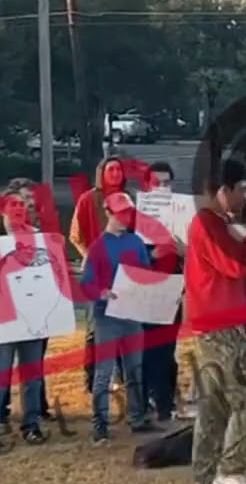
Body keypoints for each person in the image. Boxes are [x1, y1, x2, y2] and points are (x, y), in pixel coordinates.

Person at [186, 159, 246, 484]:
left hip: (211, 322)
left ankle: (205, 477)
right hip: (220, 325)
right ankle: (231, 472)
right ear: (222, 192)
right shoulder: (208, 224)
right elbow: (238, 265)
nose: (245, 197)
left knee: (215, 404)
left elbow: (240, 271)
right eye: (240, 189)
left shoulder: (214, 224)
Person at [0, 186, 51, 448]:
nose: (19, 209)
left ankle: (31, 424)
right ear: (2, 209)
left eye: (22, 204)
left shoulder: (39, 237)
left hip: (32, 314)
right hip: (1, 314)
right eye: (13, 204)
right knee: (0, 370)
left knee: (32, 371)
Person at [80, 192, 158, 442]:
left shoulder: (135, 241)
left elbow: (145, 273)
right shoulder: (98, 247)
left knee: (135, 368)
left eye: (128, 213)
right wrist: (102, 293)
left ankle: (137, 418)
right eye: (121, 213)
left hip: (132, 314)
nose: (126, 217)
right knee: (104, 372)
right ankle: (100, 425)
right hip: (107, 317)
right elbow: (86, 284)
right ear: (108, 213)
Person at [69, 156, 129, 395]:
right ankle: (91, 379)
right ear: (101, 173)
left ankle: (121, 377)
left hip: (125, 270)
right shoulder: (89, 199)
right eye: (110, 169)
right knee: (96, 327)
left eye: (118, 169)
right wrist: (88, 255)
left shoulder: (129, 200)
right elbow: (75, 234)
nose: (115, 173)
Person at [140, 161, 183, 422]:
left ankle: (166, 404)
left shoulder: (181, 214)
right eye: (158, 183)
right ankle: (146, 403)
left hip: (173, 287)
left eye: (167, 183)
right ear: (147, 185)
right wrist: (151, 255)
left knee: (168, 350)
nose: (163, 187)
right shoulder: (137, 217)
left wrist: (182, 251)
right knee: (147, 351)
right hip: (145, 289)